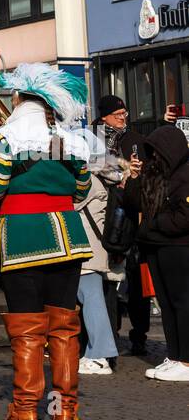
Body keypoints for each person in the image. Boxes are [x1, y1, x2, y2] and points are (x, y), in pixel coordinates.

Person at [0, 63, 92, 420]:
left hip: (22, 239)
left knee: (27, 330)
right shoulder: (65, 139)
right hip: (67, 238)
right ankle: (63, 412)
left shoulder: (4, 136)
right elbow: (81, 191)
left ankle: (25, 413)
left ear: (18, 97)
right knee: (63, 328)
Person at [123, 125, 189, 381]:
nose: (153, 158)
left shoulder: (184, 175)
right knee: (167, 305)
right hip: (157, 246)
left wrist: (153, 226)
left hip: (178, 247)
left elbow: (183, 218)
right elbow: (133, 201)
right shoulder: (156, 174)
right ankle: (175, 356)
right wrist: (135, 177)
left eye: (156, 152)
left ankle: (185, 359)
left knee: (182, 304)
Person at [93, 94, 149, 356]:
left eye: (125, 113)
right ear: (104, 116)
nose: (123, 117)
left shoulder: (134, 138)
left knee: (136, 279)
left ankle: (140, 335)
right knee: (106, 279)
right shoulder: (91, 138)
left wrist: (135, 177)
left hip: (131, 214)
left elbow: (145, 173)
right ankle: (110, 334)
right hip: (103, 215)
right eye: (117, 114)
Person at [76, 149, 125, 374]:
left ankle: (100, 355)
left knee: (92, 301)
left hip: (88, 250)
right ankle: (94, 352)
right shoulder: (106, 179)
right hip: (94, 249)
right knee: (93, 299)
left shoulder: (91, 182)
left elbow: (71, 204)